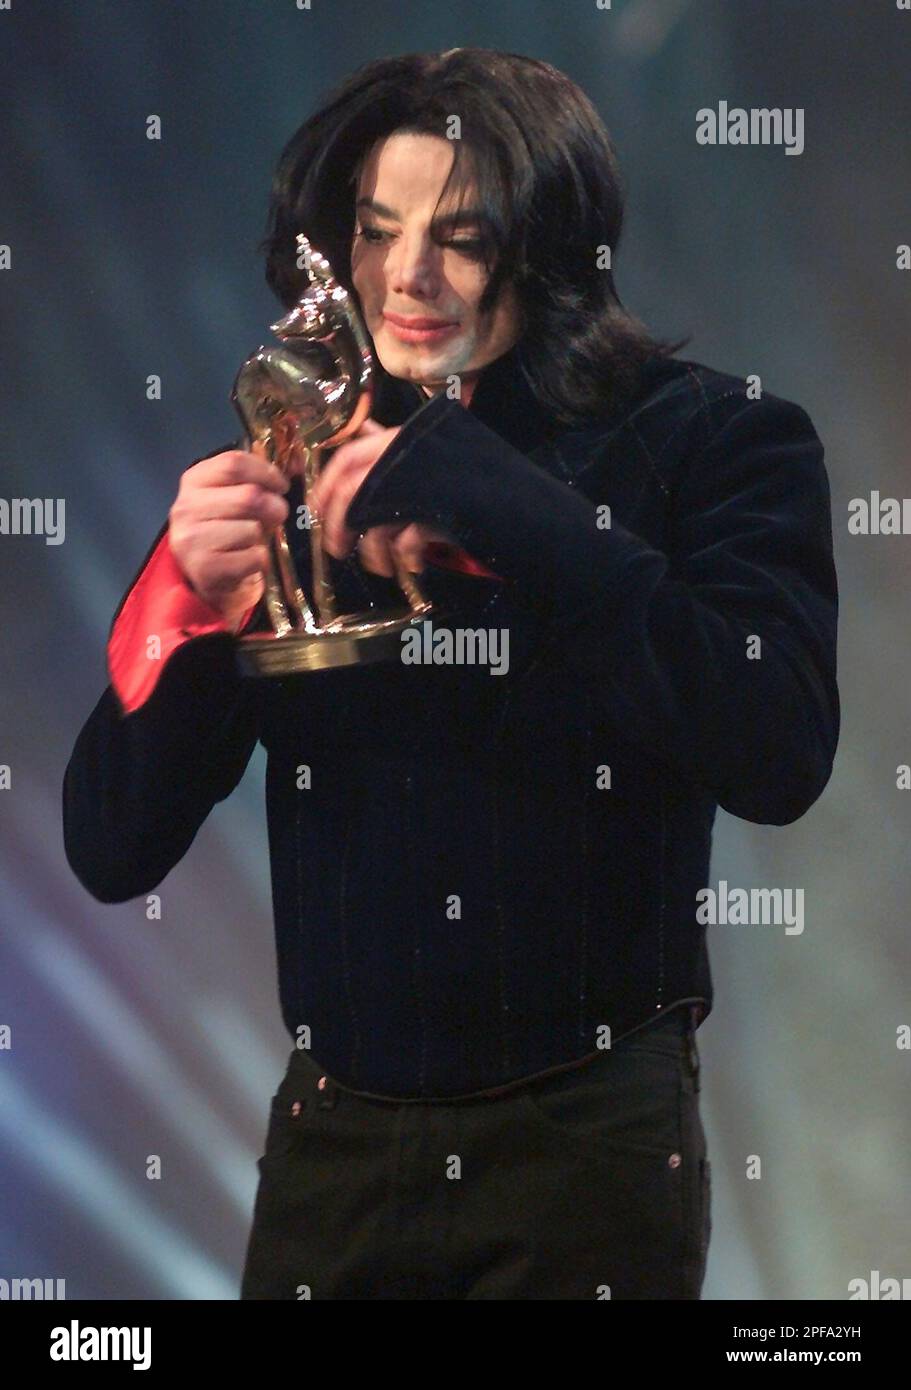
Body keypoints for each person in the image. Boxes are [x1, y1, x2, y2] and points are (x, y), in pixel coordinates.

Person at [62, 48, 839, 1300]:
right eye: (374, 231)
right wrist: (186, 615)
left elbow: (778, 749)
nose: (406, 277)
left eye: (461, 238)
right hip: (335, 1151)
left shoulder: (717, 438)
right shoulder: (287, 461)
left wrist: (498, 505)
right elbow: (108, 847)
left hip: (584, 1148)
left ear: (552, 247)